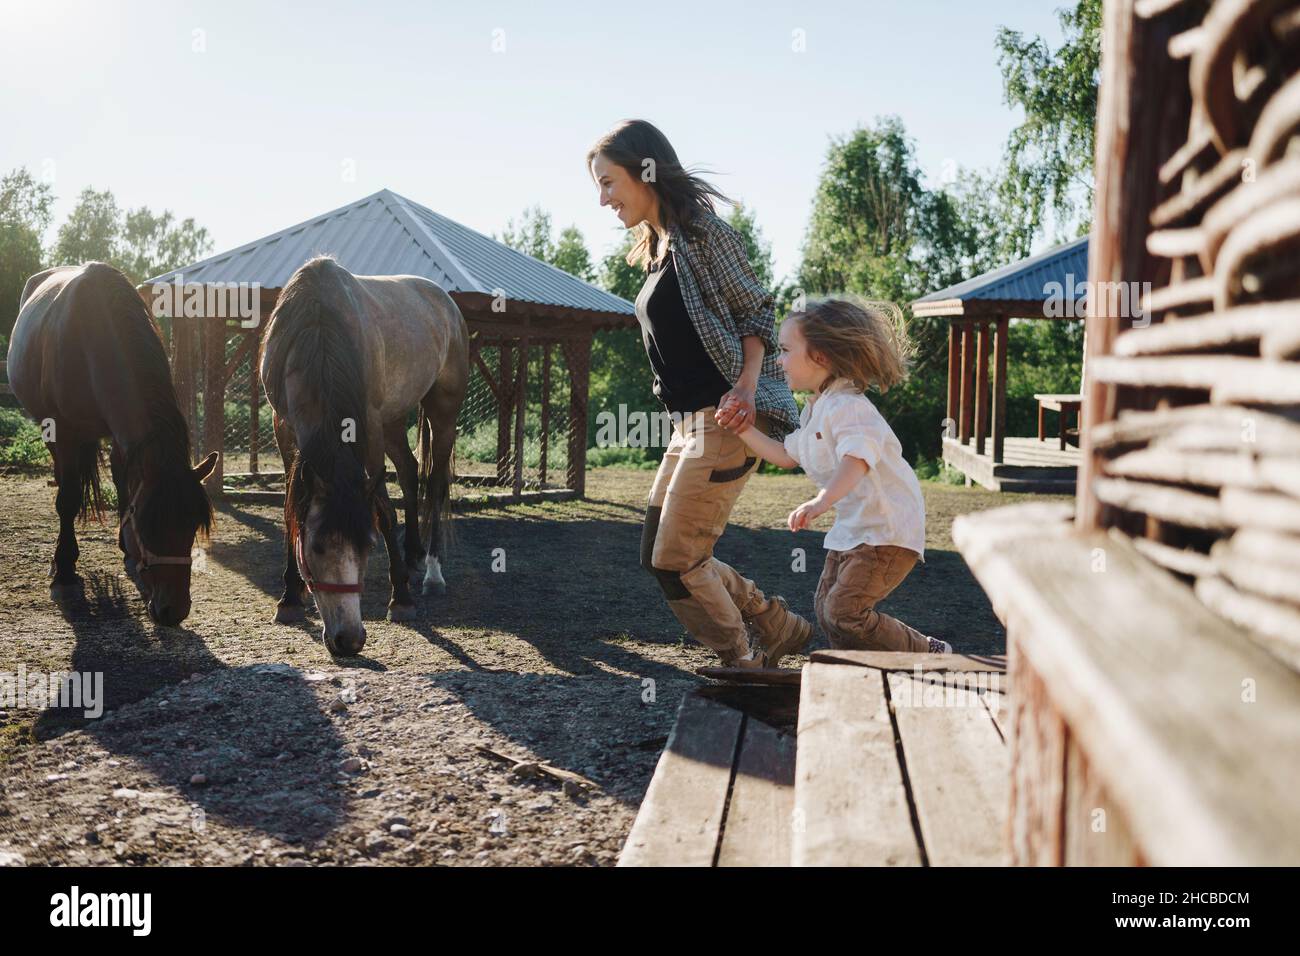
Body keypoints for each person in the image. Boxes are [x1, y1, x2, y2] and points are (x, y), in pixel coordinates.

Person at [586, 119, 812, 668]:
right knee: (659, 555)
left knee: (677, 559)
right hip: (687, 425)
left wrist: (746, 387)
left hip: (726, 420)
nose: (602, 199)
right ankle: (775, 624)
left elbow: (756, 310)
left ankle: (742, 661)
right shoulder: (660, 247)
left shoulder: (703, 235)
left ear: (645, 171)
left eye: (609, 182)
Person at [720, 295, 952, 658]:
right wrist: (741, 428)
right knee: (828, 610)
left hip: (886, 530)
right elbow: (785, 454)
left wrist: (820, 501)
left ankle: (926, 651)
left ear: (821, 358)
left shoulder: (849, 407)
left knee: (843, 611)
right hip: (855, 529)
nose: (778, 360)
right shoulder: (818, 407)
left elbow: (856, 460)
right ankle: (855, 666)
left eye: (784, 350)